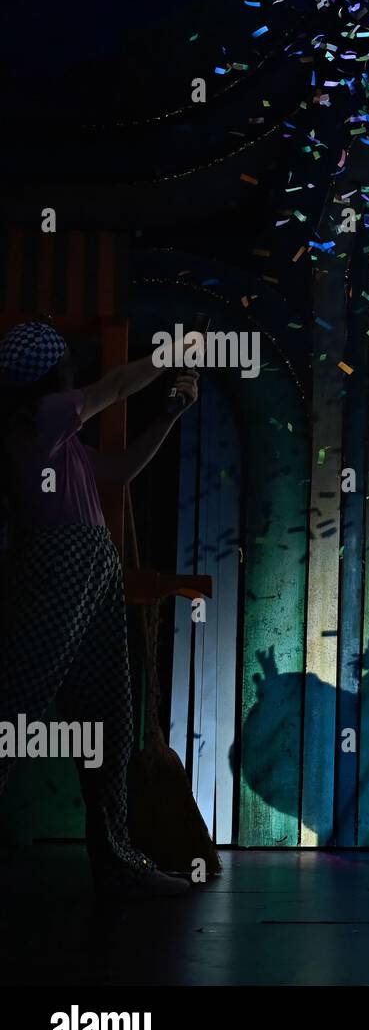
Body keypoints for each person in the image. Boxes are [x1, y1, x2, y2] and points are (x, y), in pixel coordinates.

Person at [0, 321, 197, 899]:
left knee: (108, 713)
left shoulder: (59, 440)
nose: (75, 373)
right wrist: (168, 356)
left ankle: (115, 856)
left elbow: (121, 471)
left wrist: (169, 415)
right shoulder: (35, 422)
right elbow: (110, 389)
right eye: (66, 365)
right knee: (17, 701)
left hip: (93, 570)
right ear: (49, 376)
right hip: (60, 567)